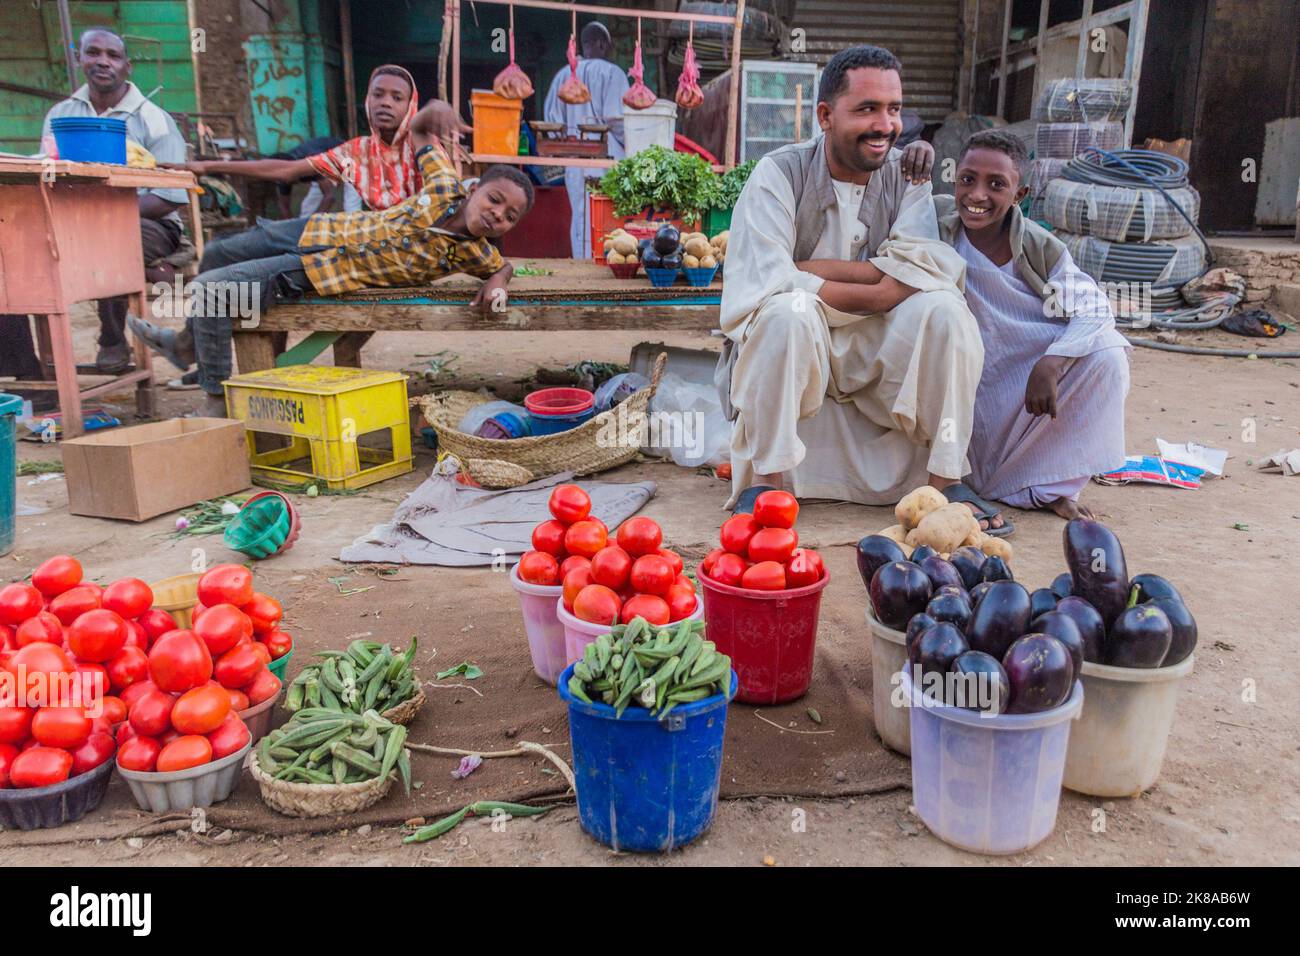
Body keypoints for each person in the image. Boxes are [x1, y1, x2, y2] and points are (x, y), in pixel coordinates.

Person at [716, 45, 1008, 531]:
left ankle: (944, 481)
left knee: (948, 311)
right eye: (867, 109)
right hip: (799, 339)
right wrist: (876, 289)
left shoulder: (905, 175)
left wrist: (828, 276)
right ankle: (766, 484)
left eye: (893, 109)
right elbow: (767, 281)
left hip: (878, 340)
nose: (884, 125)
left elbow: (917, 266)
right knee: (786, 309)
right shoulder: (779, 174)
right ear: (826, 116)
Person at [129, 100, 534, 417]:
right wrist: (436, 108)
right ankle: (187, 347)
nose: (498, 214)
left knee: (211, 290)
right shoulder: (444, 184)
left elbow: (501, 266)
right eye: (494, 199)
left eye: (510, 217)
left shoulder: (475, 253)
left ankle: (216, 398)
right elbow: (422, 129)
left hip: (323, 268)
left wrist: (498, 279)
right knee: (216, 253)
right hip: (316, 229)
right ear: (474, 189)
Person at [935, 130, 1130, 520]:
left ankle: (1051, 488)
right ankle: (963, 476)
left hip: (1027, 379)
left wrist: (1052, 362)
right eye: (967, 179)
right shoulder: (937, 226)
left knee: (1108, 353)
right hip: (965, 381)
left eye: (996, 185)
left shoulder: (1038, 246)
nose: (976, 195)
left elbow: (1094, 309)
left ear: (1019, 195)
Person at [0, 27, 188, 378]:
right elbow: (48, 170)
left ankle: (113, 339)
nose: (103, 62)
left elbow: (169, 197)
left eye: (113, 56)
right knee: (8, 252)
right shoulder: (61, 115)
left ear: (127, 66)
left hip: (150, 221)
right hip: (69, 220)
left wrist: (102, 217)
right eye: (94, 52)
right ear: (79, 58)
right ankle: (25, 371)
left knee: (109, 242)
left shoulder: (153, 119)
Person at [175, 66, 421, 212]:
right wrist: (208, 166)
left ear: (411, 106)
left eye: (397, 97)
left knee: (348, 210)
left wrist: (435, 111)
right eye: (378, 94)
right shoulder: (357, 150)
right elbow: (286, 170)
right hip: (381, 241)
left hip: (417, 247)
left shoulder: (422, 146)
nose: (385, 102)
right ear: (368, 101)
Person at [543, 21, 629, 258]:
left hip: (573, 157)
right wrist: (633, 149)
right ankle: (608, 259)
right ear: (602, 44)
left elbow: (552, 120)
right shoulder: (612, 73)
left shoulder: (564, 74)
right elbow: (616, 119)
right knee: (607, 213)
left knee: (580, 214)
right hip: (609, 155)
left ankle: (581, 263)